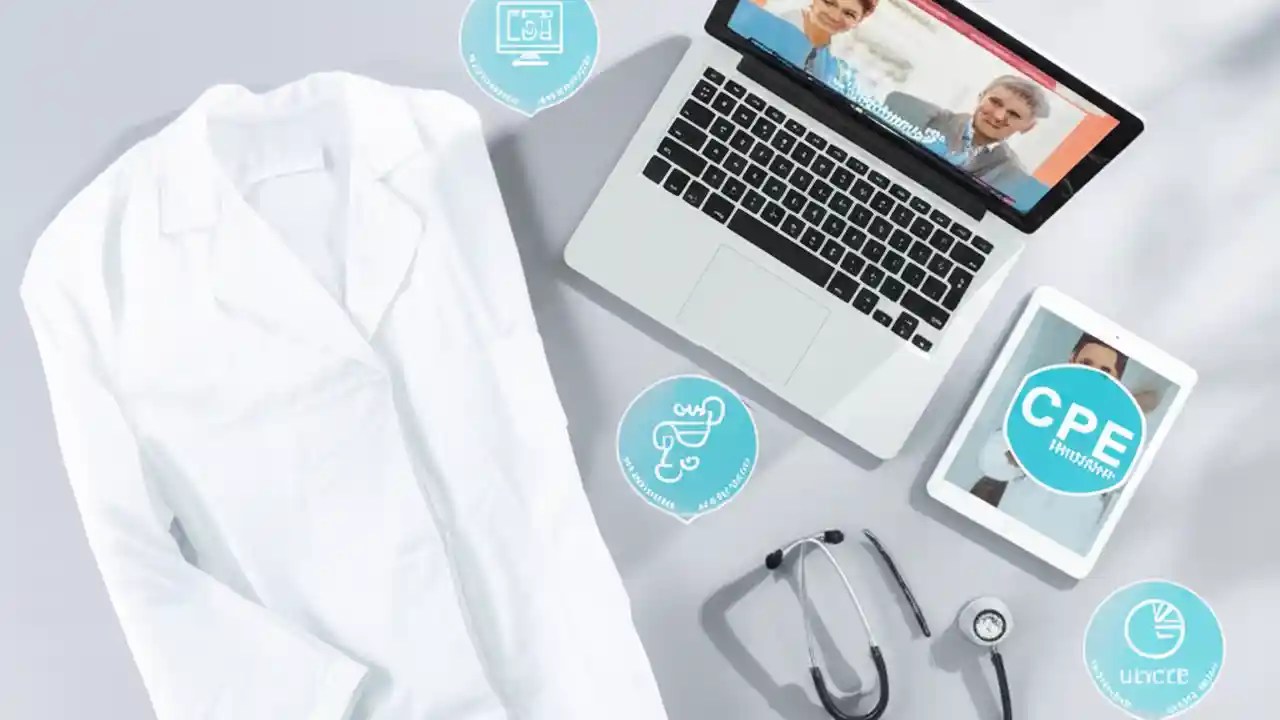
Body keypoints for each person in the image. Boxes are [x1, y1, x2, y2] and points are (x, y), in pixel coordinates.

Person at [884, 75, 1050, 207]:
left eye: (1014, 114)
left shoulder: (1015, 178)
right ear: (981, 97)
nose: (998, 116)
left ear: (1028, 127)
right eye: (995, 102)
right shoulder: (911, 110)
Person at [729, 0, 878, 90]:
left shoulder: (828, 62)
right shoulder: (768, 20)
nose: (834, 16)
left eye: (849, 14)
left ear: (861, 19)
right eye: (828, 2)